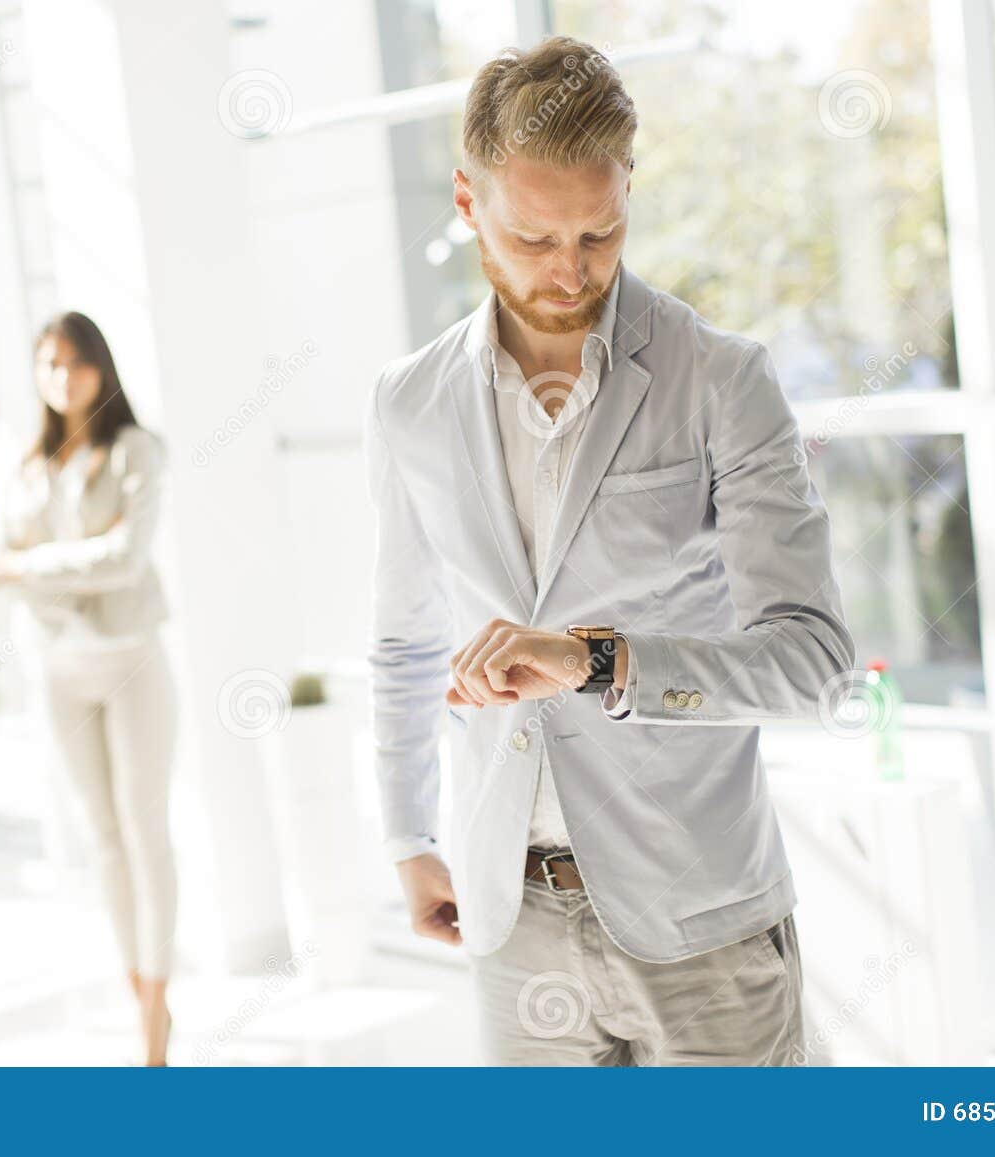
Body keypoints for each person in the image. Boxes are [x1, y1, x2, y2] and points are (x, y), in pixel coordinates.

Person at [364, 36, 857, 1066]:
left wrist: (597, 658)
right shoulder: (408, 401)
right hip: (512, 917)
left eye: (600, 230)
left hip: (703, 921)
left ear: (628, 190)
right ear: (466, 199)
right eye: (534, 236)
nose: (571, 269)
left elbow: (811, 663)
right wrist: (410, 835)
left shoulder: (723, 377)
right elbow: (406, 641)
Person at [0, 312, 178, 1067]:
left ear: (103, 368)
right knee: (102, 836)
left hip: (131, 657)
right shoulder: (23, 464)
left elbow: (126, 563)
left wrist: (33, 564)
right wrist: (76, 556)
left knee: (144, 828)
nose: (64, 379)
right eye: (50, 365)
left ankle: (156, 1012)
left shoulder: (134, 450)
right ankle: (140, 1001)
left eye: (78, 363)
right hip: (58, 665)